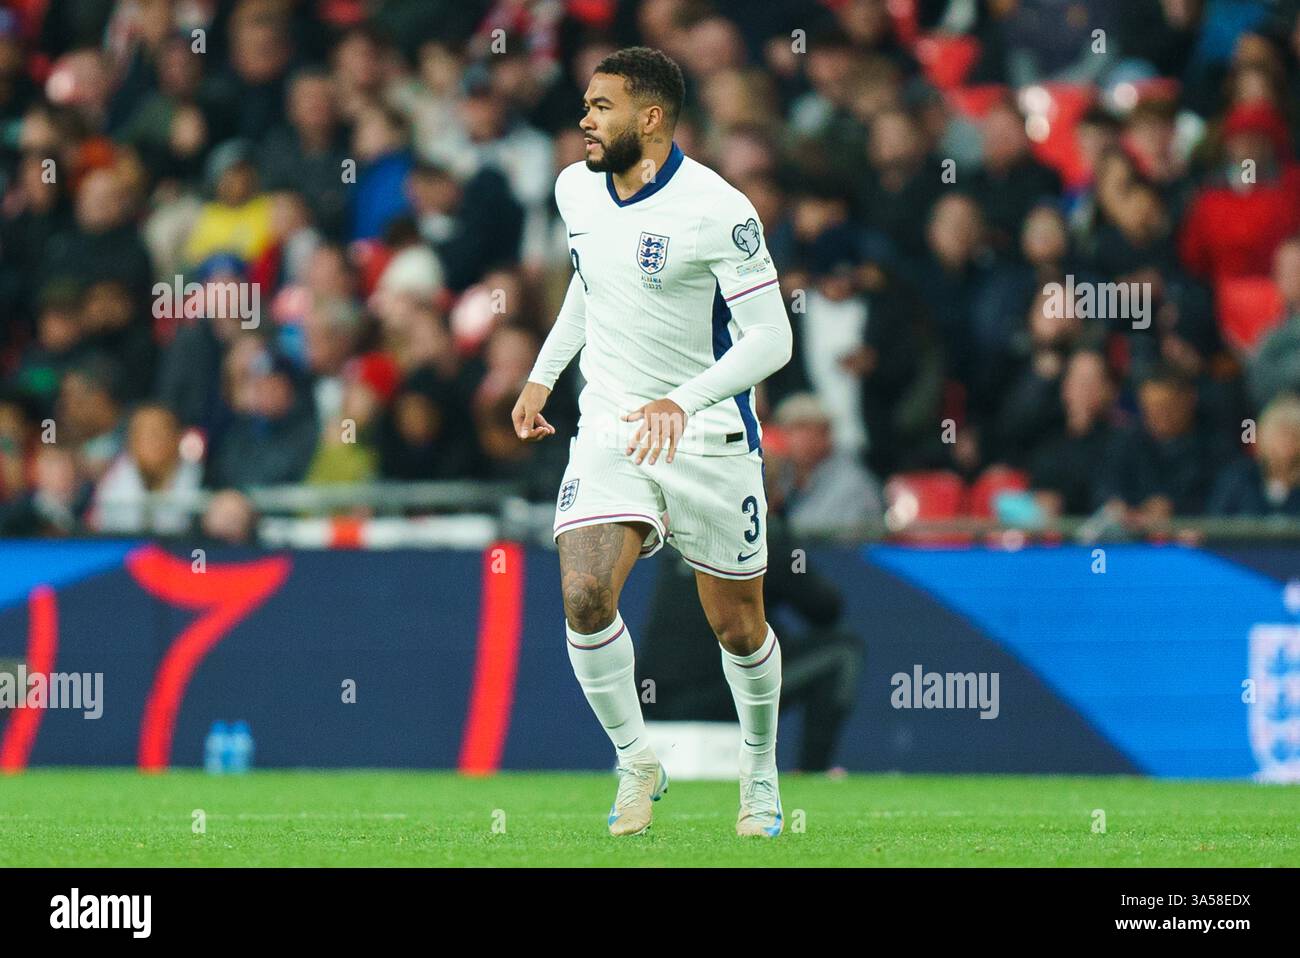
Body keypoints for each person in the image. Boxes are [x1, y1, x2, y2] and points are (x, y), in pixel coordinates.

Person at [511, 48, 793, 838]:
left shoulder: (719, 210)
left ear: (653, 118)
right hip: (611, 426)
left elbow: (772, 341)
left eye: (601, 107)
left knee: (738, 626)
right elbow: (590, 285)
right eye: (586, 105)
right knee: (583, 595)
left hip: (708, 433)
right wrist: (541, 375)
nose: (584, 121)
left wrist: (686, 398)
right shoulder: (575, 189)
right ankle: (636, 760)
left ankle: (760, 773)